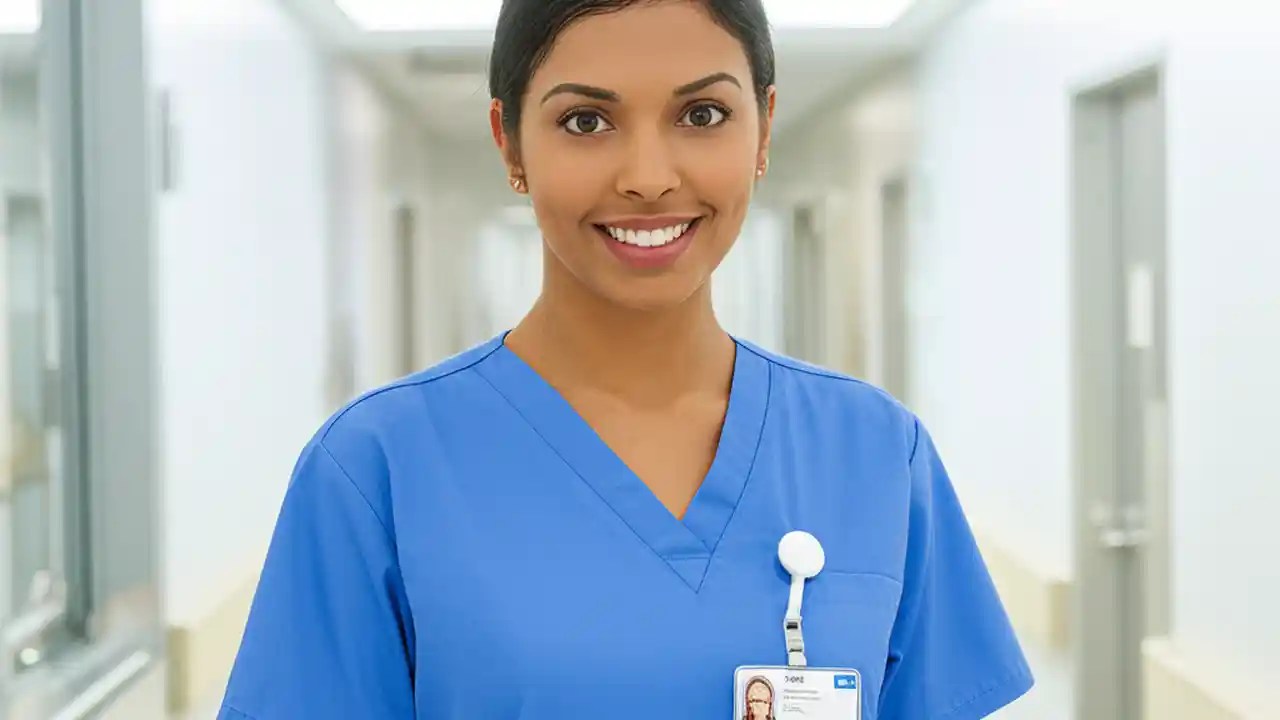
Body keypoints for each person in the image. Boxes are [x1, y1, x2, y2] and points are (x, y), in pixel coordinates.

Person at [216, 1, 1034, 718]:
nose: (648, 178)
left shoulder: (875, 453)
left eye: (703, 115)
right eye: (585, 122)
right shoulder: (375, 470)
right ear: (511, 143)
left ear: (764, 128)